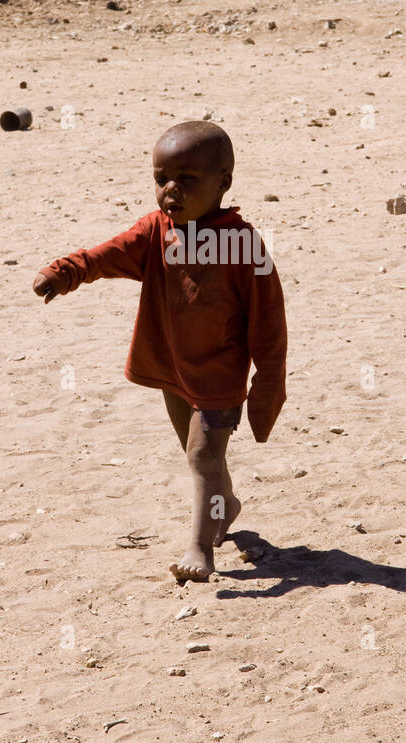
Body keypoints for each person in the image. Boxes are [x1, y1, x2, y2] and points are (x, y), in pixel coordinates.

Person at [33, 121, 287, 582]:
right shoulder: (155, 232)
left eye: (187, 179)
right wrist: (65, 272)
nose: (170, 190)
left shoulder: (243, 246)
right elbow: (105, 256)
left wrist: (267, 385)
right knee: (199, 456)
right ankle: (224, 506)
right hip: (169, 367)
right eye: (160, 178)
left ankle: (199, 548)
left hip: (218, 377)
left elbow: (270, 325)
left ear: (223, 182)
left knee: (203, 457)